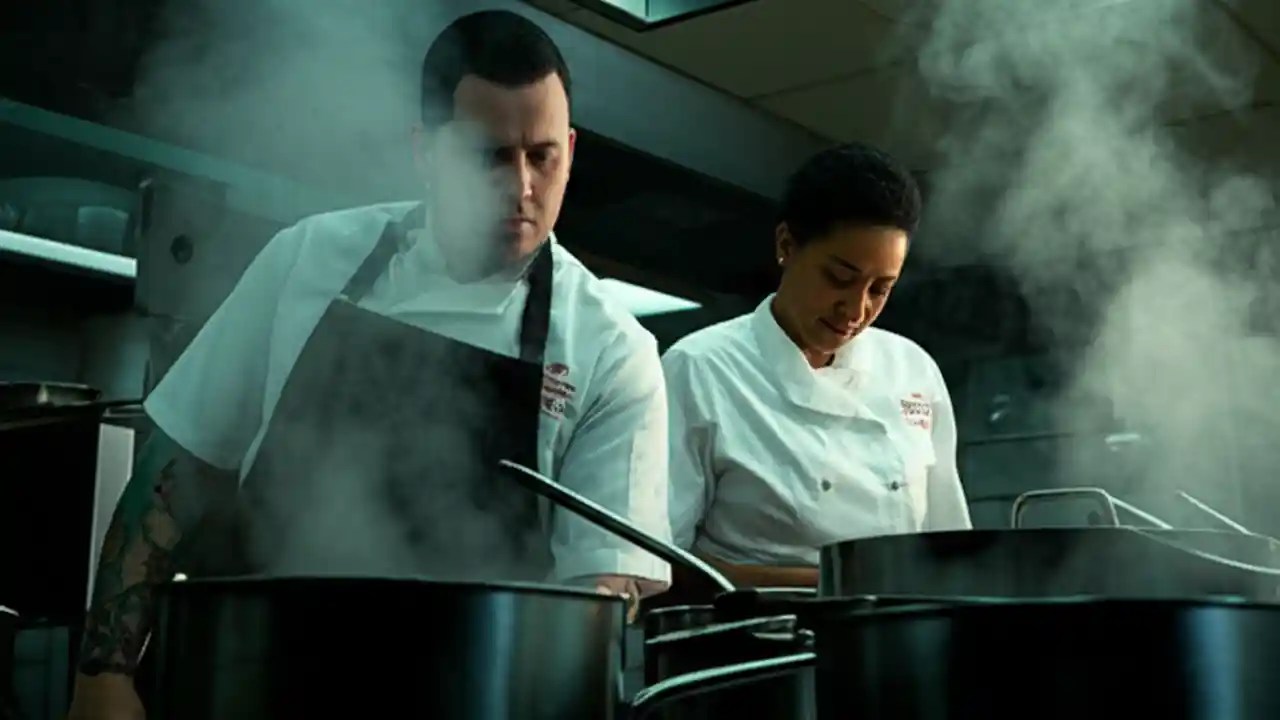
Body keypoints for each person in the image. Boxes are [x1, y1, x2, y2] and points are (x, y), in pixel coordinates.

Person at [68, 9, 671, 717]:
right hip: (257, 678)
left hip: (481, 694)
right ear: (426, 152)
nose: (524, 188)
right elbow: (179, 466)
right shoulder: (308, 259)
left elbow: (599, 594)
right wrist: (103, 670)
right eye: (488, 156)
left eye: (543, 155)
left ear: (570, 146)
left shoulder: (610, 348)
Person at [662, 142, 971, 589]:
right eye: (839, 278)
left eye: (880, 289)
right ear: (787, 245)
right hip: (751, 646)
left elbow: (947, 557)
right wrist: (842, 586)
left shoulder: (913, 372)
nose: (856, 309)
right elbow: (659, 566)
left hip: (890, 648)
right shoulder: (701, 369)